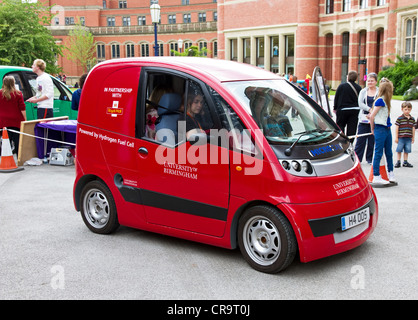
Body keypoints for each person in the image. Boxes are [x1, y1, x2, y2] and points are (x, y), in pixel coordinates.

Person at [369, 78, 396, 185]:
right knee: (378, 152)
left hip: (387, 128)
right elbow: (372, 116)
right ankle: (376, 175)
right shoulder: (381, 100)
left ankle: (391, 172)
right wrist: (372, 128)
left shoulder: (386, 100)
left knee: (389, 152)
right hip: (380, 128)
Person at [354, 72, 378, 164]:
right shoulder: (363, 91)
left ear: (376, 81)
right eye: (368, 81)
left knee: (372, 139)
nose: (370, 83)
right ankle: (358, 159)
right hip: (364, 118)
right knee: (360, 139)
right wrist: (369, 109)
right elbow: (360, 103)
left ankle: (370, 158)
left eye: (372, 81)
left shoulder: (379, 91)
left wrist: (373, 112)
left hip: (375, 118)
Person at [0, 76, 26, 157]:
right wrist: (25, 119)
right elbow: (22, 108)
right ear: (13, 83)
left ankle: (5, 157)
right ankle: (19, 158)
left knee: (5, 141)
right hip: (16, 120)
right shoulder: (18, 93)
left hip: (3, 120)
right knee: (17, 140)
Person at [333, 70, 362, 143]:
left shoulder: (341, 86)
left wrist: (335, 108)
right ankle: (350, 142)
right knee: (352, 128)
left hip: (342, 110)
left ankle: (342, 141)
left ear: (348, 77)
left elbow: (336, 98)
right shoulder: (359, 88)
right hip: (355, 110)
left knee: (340, 126)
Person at [394, 101, 415, 168]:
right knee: (399, 149)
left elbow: (413, 128)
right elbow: (397, 128)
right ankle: (398, 161)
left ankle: (405, 162)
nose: (407, 111)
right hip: (401, 137)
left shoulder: (412, 119)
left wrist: (413, 137)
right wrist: (396, 137)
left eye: (409, 109)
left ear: (411, 109)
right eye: (405, 109)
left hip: (408, 137)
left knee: (407, 150)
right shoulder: (400, 118)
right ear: (402, 109)